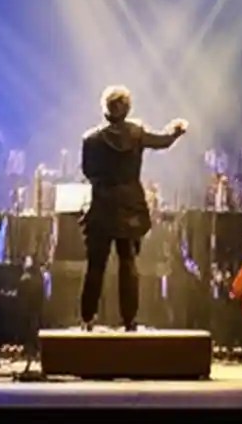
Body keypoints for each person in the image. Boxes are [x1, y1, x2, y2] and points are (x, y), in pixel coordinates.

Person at [79, 85, 188, 331]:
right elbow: (163, 141)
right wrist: (177, 130)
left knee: (96, 263)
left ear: (105, 109)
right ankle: (129, 320)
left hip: (102, 205)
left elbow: (88, 172)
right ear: (127, 109)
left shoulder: (91, 139)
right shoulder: (137, 134)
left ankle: (88, 317)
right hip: (130, 206)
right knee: (128, 262)